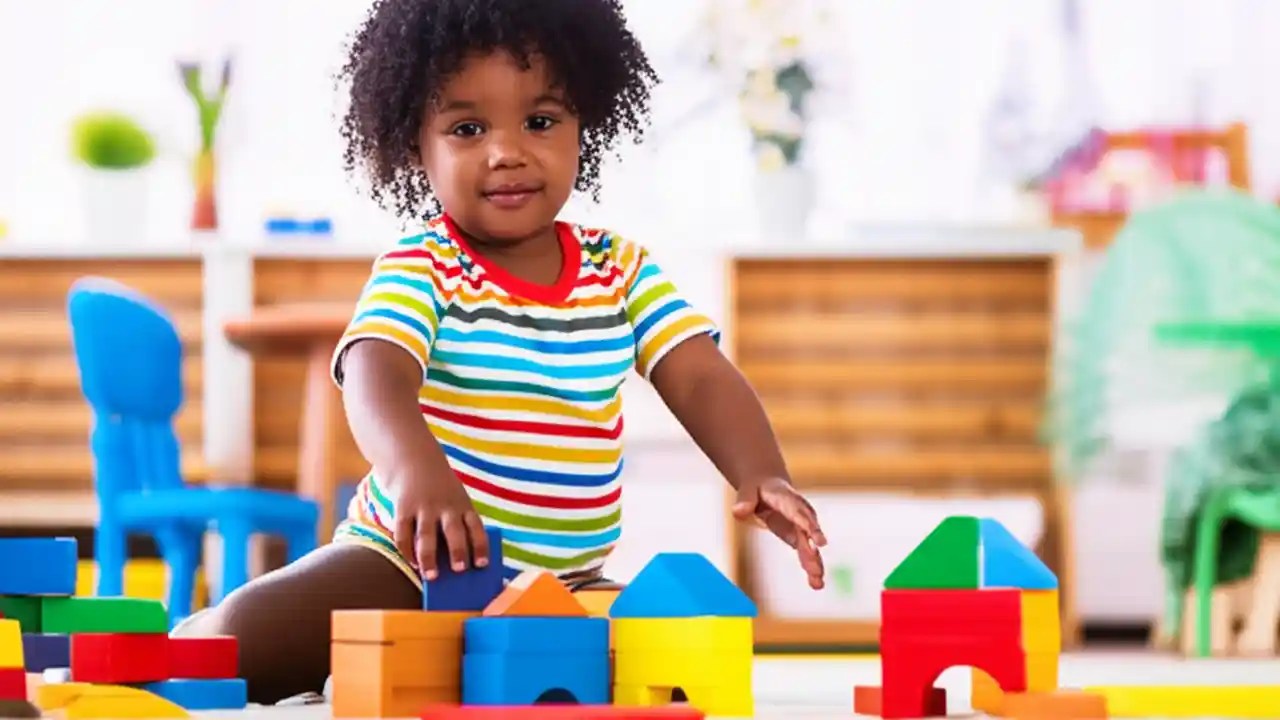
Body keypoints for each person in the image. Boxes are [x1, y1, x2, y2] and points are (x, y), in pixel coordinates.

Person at [174, 0, 827, 704]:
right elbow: (374, 372)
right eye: (467, 128)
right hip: (410, 563)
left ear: (586, 126)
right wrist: (415, 472)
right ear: (414, 146)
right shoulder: (425, 264)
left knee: (665, 671)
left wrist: (762, 472)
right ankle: (171, 641)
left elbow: (698, 374)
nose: (507, 150)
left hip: (566, 580)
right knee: (240, 644)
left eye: (541, 121)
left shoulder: (622, 270)